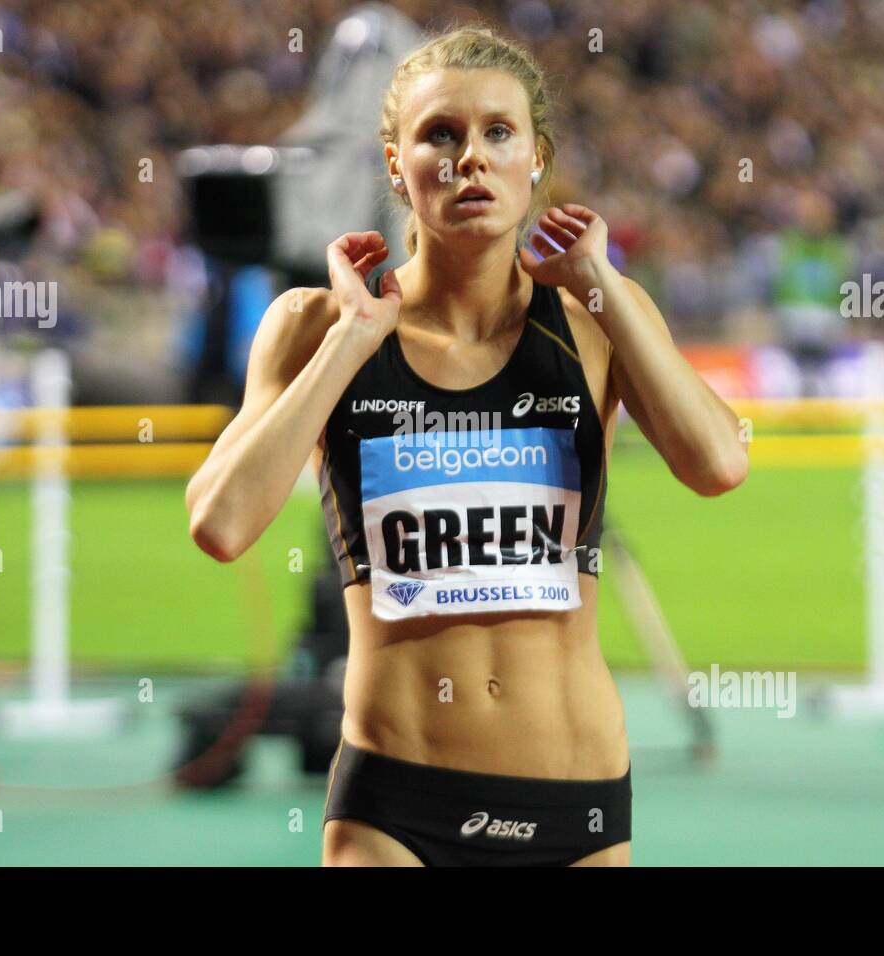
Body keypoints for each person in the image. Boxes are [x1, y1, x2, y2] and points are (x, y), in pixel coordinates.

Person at [185, 25, 747, 867]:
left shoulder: (597, 319)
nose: (470, 159)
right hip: (394, 803)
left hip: (575, 795)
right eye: (439, 134)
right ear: (393, 165)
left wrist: (608, 289)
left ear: (537, 158)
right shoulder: (312, 326)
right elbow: (221, 525)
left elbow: (718, 464)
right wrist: (351, 342)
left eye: (498, 133)